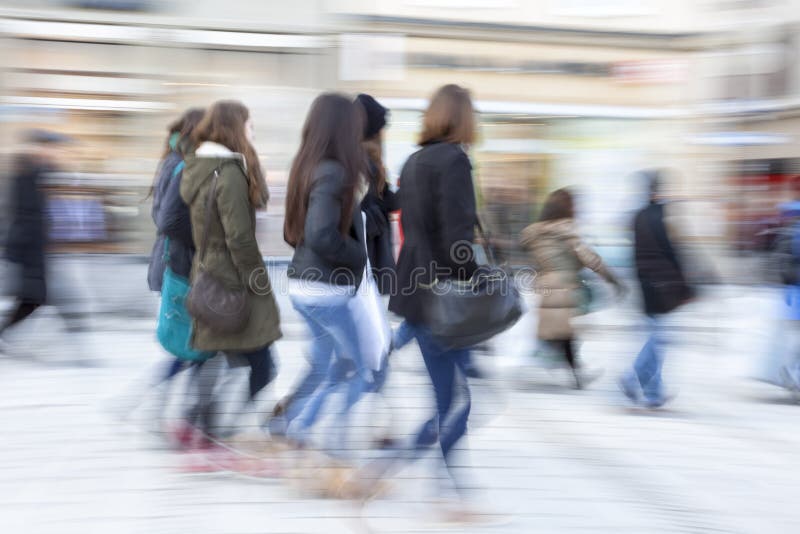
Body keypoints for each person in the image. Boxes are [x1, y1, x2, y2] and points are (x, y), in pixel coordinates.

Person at [387, 84, 480, 496]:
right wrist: (475, 277)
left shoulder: (413, 161)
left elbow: (412, 229)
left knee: (450, 397)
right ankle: (438, 484)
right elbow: (457, 239)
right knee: (456, 400)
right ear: (463, 117)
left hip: (414, 290)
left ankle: (443, 483)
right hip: (446, 298)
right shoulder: (455, 161)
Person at [180, 100, 281, 439]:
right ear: (235, 128)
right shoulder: (230, 173)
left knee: (222, 355)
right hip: (234, 282)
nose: (252, 133)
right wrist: (258, 280)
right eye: (249, 126)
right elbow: (239, 236)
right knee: (263, 364)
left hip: (207, 274)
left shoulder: (199, 167)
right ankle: (217, 429)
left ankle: (201, 423)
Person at [282, 92, 370, 454]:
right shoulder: (334, 171)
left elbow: (300, 232)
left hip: (306, 283)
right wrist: (357, 256)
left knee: (325, 364)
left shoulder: (307, 165)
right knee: (358, 368)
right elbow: (320, 233)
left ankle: (284, 424)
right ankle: (324, 443)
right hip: (326, 287)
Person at [521, 188, 623, 389]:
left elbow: (534, 261)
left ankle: (570, 368)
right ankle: (572, 371)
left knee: (562, 332)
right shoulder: (567, 232)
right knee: (565, 333)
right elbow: (588, 258)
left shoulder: (536, 234)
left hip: (546, 286)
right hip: (564, 286)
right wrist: (612, 279)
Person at [619, 170, 693, 408]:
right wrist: (685, 287)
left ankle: (654, 393)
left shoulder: (639, 216)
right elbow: (671, 253)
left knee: (655, 334)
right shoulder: (661, 216)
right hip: (661, 285)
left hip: (645, 283)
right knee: (658, 338)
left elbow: (637, 254)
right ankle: (632, 378)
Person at [147, 108, 206, 387]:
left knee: (192, 346)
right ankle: (151, 402)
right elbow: (164, 218)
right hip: (176, 265)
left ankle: (157, 405)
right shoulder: (177, 164)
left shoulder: (183, 161)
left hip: (182, 264)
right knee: (189, 346)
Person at [1, 130, 70, 348]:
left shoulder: (37, 171)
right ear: (36, 148)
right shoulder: (25, 173)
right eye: (48, 148)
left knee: (33, 299)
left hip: (35, 248)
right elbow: (26, 213)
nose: (52, 153)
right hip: (27, 248)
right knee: (33, 298)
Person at [355, 93, 398, 295]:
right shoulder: (364, 162)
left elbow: (387, 200)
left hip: (369, 257)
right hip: (368, 257)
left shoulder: (366, 161)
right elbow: (368, 207)